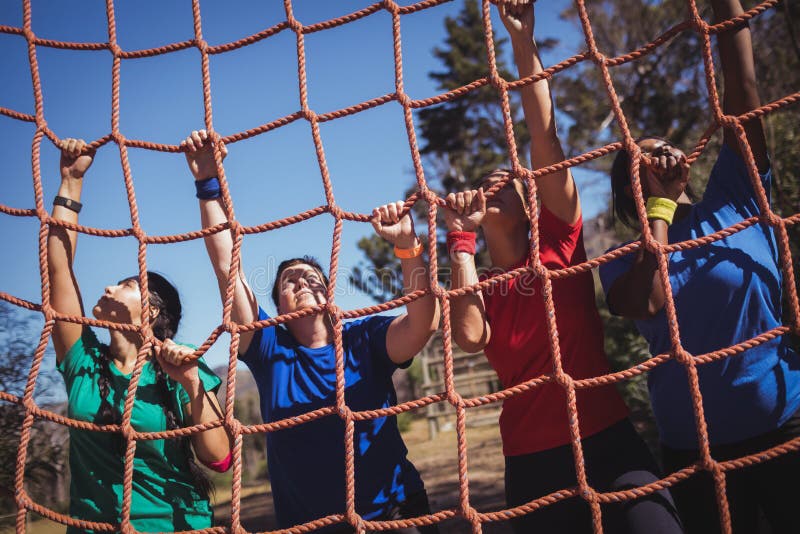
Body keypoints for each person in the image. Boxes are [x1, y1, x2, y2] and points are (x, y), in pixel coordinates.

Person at [443, 2, 683, 533]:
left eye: (508, 178)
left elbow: (545, 140)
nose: (494, 180)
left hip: (607, 438)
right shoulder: (477, 286)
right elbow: (467, 336)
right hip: (532, 462)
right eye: (487, 181)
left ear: (534, 206)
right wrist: (459, 240)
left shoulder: (558, 244)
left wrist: (523, 44)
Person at [599, 0, 800, 532]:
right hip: (696, 454)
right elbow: (648, 300)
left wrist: (726, 7)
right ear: (628, 188)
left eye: (665, 147)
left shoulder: (736, 200)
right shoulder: (621, 263)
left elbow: (744, 90)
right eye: (646, 158)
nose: (662, 155)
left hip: (785, 426)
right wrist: (661, 207)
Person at [182, 129, 440, 533]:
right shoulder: (269, 349)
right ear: (278, 306)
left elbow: (423, 323)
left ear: (328, 291)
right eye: (288, 281)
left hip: (393, 515)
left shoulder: (362, 340)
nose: (301, 282)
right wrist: (207, 182)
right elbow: (225, 266)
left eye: (309, 276)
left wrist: (408, 246)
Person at [48, 138, 232, 533]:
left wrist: (191, 382)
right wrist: (71, 181)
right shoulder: (82, 360)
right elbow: (58, 269)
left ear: (151, 310)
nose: (109, 289)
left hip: (176, 526)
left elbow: (219, 459)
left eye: (125, 284)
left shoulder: (181, 365)